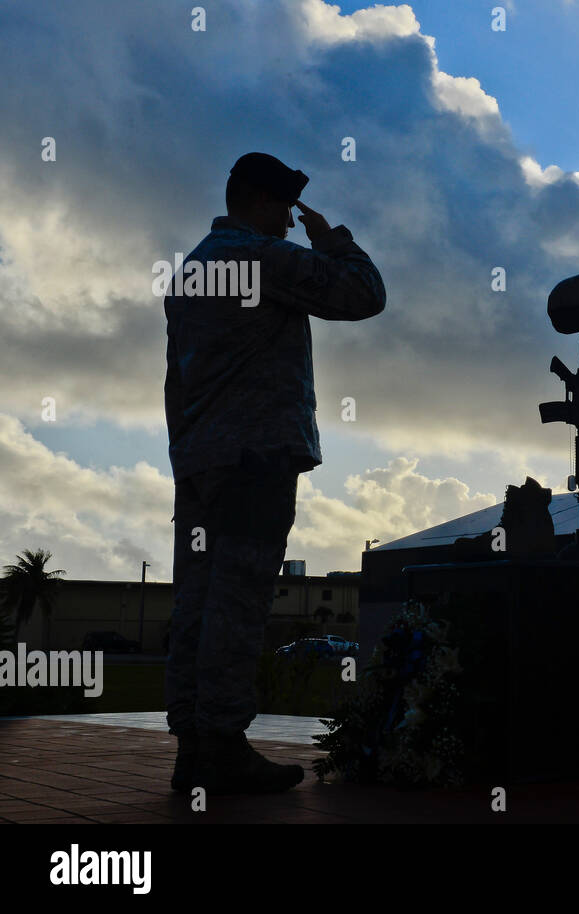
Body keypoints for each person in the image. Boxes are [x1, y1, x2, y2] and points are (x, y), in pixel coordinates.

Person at [163, 152, 385, 794]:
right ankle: (223, 748)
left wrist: (186, 452)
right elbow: (364, 295)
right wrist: (333, 239)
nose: (291, 220)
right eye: (286, 209)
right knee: (237, 604)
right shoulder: (259, 258)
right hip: (254, 458)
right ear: (261, 203)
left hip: (202, 460)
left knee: (198, 604)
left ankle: (194, 748)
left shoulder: (192, 270)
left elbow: (174, 378)